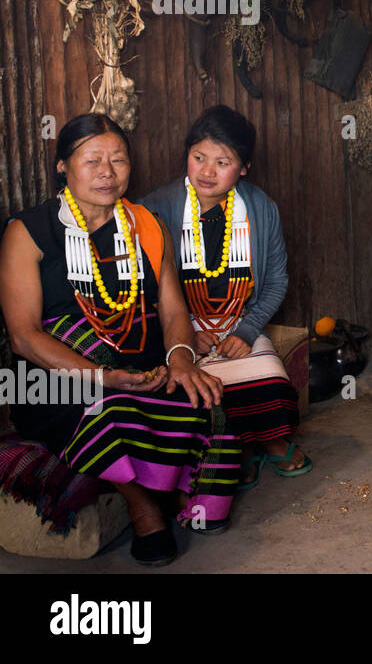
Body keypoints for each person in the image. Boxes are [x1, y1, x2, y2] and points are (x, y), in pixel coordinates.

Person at [0, 114, 234, 567]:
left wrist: (183, 360)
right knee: (109, 413)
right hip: (56, 378)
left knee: (205, 397)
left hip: (142, 362)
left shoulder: (146, 225)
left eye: (118, 160)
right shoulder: (27, 232)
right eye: (92, 160)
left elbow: (172, 310)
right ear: (63, 166)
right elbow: (24, 337)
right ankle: (145, 508)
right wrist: (103, 378)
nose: (107, 172)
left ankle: (177, 486)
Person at [142, 106, 310, 487]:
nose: (206, 171)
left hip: (239, 322)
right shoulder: (155, 209)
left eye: (223, 162)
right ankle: (246, 446)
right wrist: (180, 337)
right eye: (198, 158)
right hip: (179, 331)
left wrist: (248, 331)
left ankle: (258, 444)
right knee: (196, 394)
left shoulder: (261, 209)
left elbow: (277, 280)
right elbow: (143, 289)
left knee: (272, 389)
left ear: (244, 168)